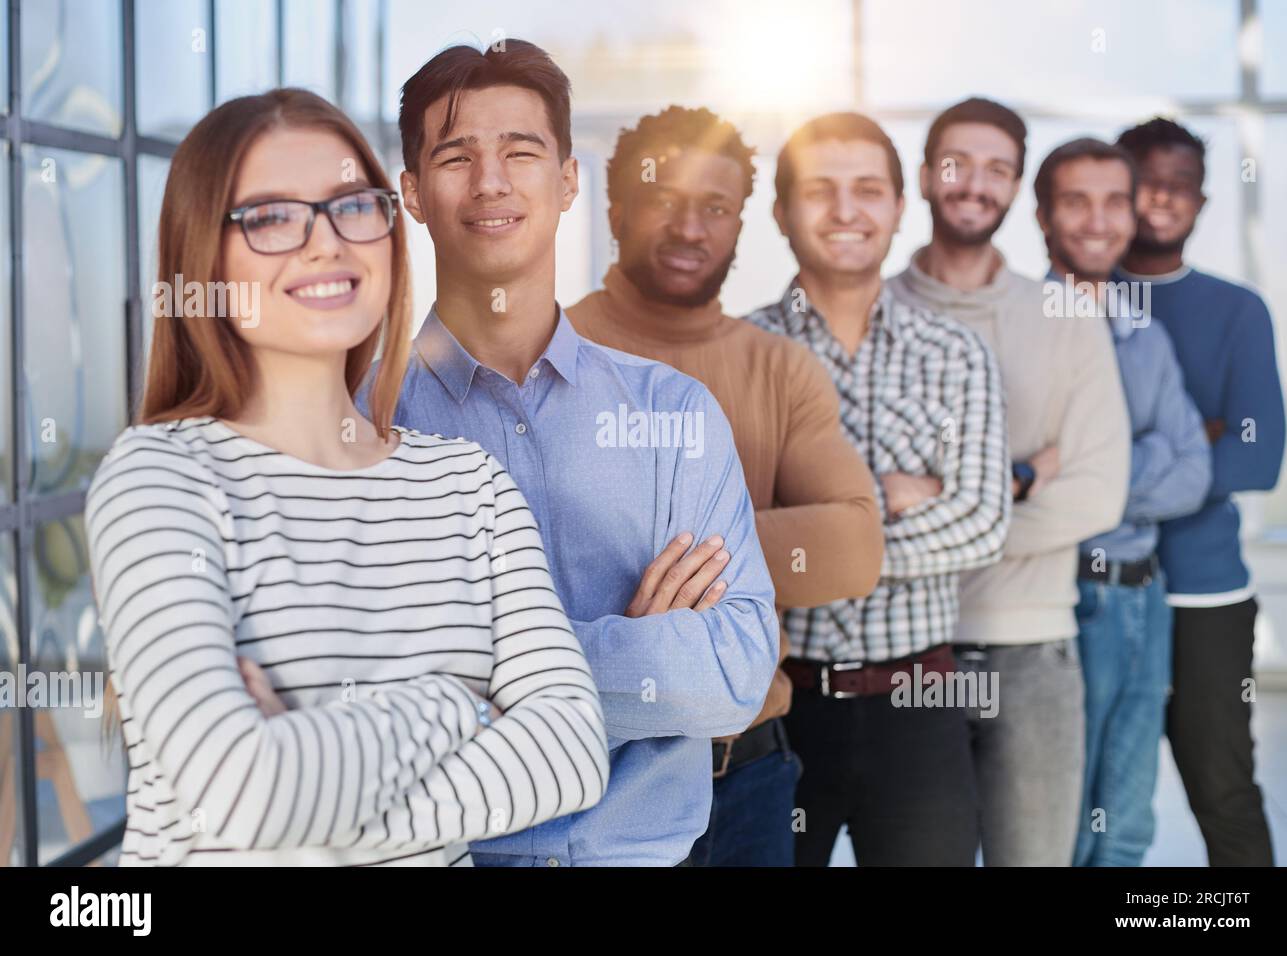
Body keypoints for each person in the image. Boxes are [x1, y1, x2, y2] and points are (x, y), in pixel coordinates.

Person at [84, 88, 607, 867]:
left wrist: (312, 810)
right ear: (204, 256)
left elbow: (572, 754)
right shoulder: (161, 479)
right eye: (269, 217)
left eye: (350, 206)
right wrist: (452, 706)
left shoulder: (469, 486)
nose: (324, 243)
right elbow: (242, 790)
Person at [359, 40, 779, 867]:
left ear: (568, 181)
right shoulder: (356, 426)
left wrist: (480, 667)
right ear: (411, 192)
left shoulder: (673, 413)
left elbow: (732, 674)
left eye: (521, 152)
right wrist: (635, 651)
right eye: (455, 156)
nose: (491, 181)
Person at [567, 105, 883, 866]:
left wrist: (649, 561)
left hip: (751, 774)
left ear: (741, 223)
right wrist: (753, 538)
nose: (689, 228)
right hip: (598, 774)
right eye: (663, 200)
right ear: (615, 211)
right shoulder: (555, 355)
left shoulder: (781, 369)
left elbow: (854, 548)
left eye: (715, 207)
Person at [746, 112, 1011, 866]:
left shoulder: (956, 354)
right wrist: (892, 500)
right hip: (779, 708)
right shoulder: (741, 352)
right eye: (820, 191)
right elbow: (727, 539)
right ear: (781, 212)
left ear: (900, 207)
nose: (846, 211)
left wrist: (808, 535)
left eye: (868, 189)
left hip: (919, 706)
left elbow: (984, 526)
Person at [889, 100, 1131, 866]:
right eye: (959, 163)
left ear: (1016, 189)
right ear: (927, 176)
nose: (975, 184)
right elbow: (860, 499)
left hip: (1035, 653)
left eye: (999, 169)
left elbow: (1097, 494)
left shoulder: (1065, 314)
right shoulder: (873, 310)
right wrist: (1024, 478)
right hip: (908, 653)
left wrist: (936, 502)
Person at [1035, 136, 1212, 865]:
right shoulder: (1022, 325)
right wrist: (1140, 461)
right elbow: (1013, 480)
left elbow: (1193, 472)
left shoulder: (1148, 334)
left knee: (1129, 823)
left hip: (1148, 599)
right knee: (1061, 819)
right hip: (1065, 598)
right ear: (1044, 217)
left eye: (1116, 201)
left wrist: (1081, 469)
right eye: (1077, 202)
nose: (1101, 220)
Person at [1117, 117, 1287, 866]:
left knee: (1223, 791)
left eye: (1179, 183)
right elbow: (1033, 456)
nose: (1162, 197)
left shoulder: (1238, 310)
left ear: (1203, 200)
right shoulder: (1070, 302)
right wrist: (1195, 442)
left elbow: (1259, 460)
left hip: (1204, 600)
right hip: (1094, 594)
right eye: (1144, 181)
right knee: (1097, 801)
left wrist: (1108, 476)